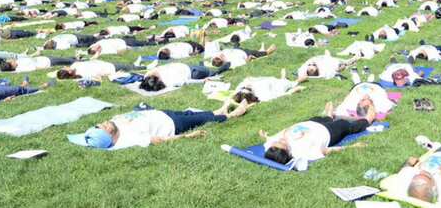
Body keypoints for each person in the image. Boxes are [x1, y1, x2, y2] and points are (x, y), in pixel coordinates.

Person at [82, 99, 250, 149]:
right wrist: (187, 136)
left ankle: (219, 110)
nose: (104, 123)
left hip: (162, 113)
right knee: (200, 120)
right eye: (104, 127)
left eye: (100, 124)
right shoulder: (129, 139)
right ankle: (233, 115)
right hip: (173, 124)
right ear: (109, 136)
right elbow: (158, 140)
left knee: (192, 113)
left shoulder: (115, 122)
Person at [261, 106, 376, 169]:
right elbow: (326, 151)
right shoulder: (300, 153)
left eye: (277, 141)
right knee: (344, 124)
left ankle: (329, 116)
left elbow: (269, 141)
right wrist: (352, 147)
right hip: (328, 133)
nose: (280, 139)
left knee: (320, 118)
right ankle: (367, 119)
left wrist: (266, 136)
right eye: (282, 143)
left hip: (310, 123)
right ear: (286, 152)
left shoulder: (272, 147)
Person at [138, 62, 231, 92]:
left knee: (203, 67)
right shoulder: (169, 82)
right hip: (193, 72)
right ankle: (218, 71)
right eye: (156, 76)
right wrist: (203, 81)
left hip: (185, 66)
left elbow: (151, 72)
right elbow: (187, 81)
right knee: (209, 72)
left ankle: (202, 65)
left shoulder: (148, 76)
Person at [233, 70, 303, 104]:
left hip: (268, 81)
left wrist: (248, 82)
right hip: (274, 87)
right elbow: (279, 96)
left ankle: (284, 78)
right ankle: (285, 78)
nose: (247, 87)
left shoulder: (240, 89)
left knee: (285, 83)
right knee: (290, 84)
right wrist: (293, 91)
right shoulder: (263, 96)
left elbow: (247, 79)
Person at [55, 59, 146, 80]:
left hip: (106, 64)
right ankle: (145, 67)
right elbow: (99, 75)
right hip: (110, 69)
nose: (64, 66)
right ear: (69, 71)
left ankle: (137, 65)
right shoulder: (82, 74)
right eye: (64, 68)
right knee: (130, 68)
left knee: (128, 66)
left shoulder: (75, 65)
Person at [210, 44, 276, 68]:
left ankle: (262, 51)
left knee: (236, 43)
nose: (221, 56)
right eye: (221, 58)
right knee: (254, 53)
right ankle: (267, 52)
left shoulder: (220, 55)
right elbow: (245, 61)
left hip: (238, 50)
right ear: (223, 62)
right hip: (245, 54)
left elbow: (214, 58)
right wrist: (249, 58)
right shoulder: (231, 63)